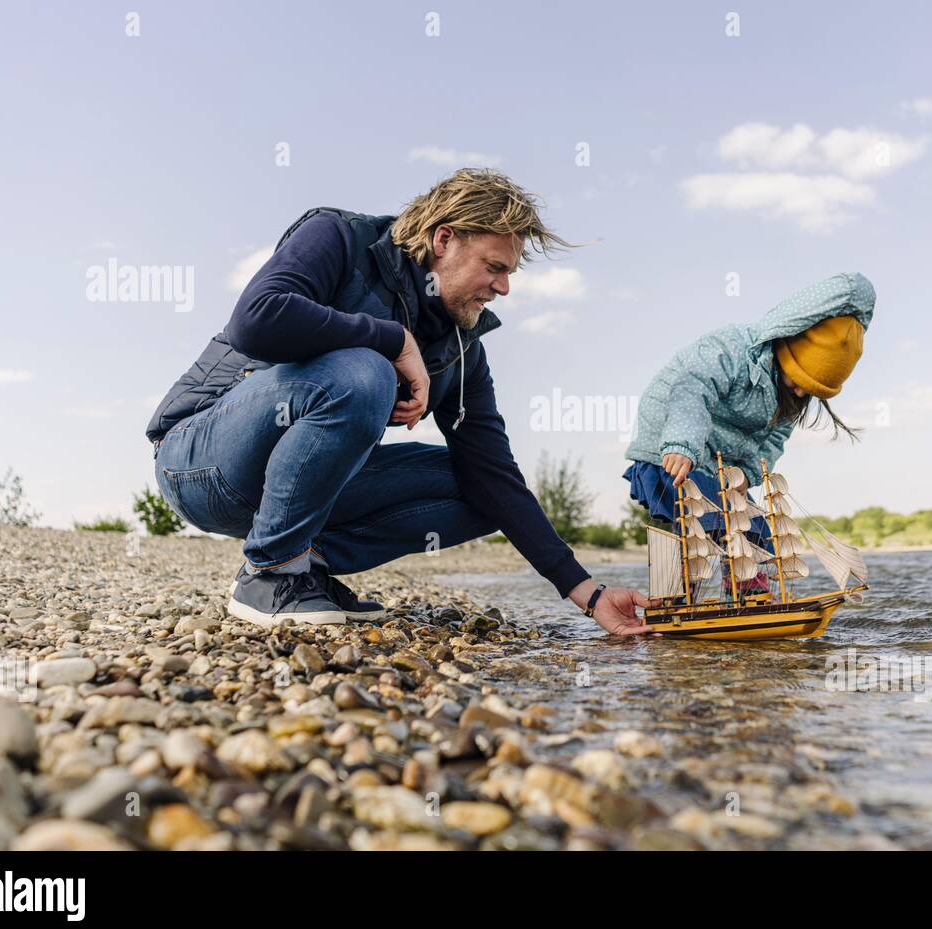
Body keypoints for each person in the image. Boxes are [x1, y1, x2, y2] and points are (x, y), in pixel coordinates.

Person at [145, 169, 651, 635]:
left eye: (509, 272)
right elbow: (256, 319)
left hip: (295, 493)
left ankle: (305, 565)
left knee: (482, 489)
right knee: (365, 372)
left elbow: (495, 474)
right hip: (201, 460)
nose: (504, 287)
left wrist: (589, 594)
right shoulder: (339, 237)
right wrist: (391, 340)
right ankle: (269, 573)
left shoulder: (460, 348)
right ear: (444, 239)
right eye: (494, 267)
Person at [622, 273, 876, 595]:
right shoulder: (732, 349)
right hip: (670, 444)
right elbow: (691, 388)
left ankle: (746, 600)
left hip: (718, 464)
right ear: (786, 345)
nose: (798, 390)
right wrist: (681, 444)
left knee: (753, 531)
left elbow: (771, 442)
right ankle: (681, 598)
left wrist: (748, 474)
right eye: (795, 379)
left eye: (808, 391)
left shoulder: (789, 400)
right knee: (714, 525)